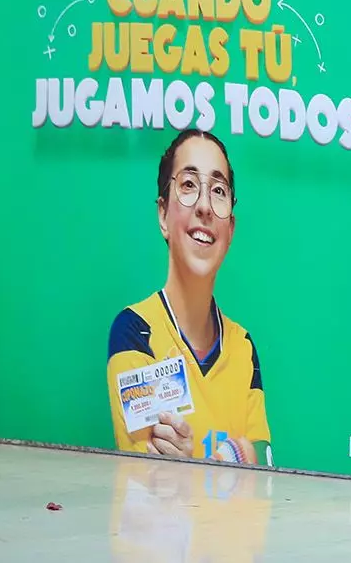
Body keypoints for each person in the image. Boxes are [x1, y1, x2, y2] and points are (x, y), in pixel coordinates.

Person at [107, 130, 271, 465]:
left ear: (230, 229)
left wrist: (192, 462)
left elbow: (264, 468)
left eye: (219, 190)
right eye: (188, 185)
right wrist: (231, 457)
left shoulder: (243, 347)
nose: (204, 207)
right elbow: (149, 476)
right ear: (163, 215)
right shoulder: (134, 332)